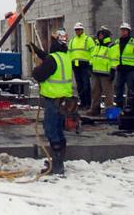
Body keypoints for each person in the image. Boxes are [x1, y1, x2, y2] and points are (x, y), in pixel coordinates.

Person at [32, 35, 72, 175]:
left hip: (53, 100)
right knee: (59, 131)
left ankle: (57, 165)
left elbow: (39, 74)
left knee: (51, 130)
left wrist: (36, 69)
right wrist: (38, 52)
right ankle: (58, 161)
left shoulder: (52, 59)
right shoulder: (65, 56)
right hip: (63, 101)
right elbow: (51, 61)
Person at [113, 22, 134, 106]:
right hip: (120, 69)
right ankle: (119, 105)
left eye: (125, 30)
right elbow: (113, 55)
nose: (123, 32)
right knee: (119, 87)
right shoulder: (117, 42)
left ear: (128, 31)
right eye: (122, 30)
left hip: (131, 70)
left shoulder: (133, 42)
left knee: (131, 88)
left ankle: (130, 106)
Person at [88, 27, 117, 117]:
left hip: (106, 74)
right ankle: (94, 110)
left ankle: (110, 112)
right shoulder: (97, 46)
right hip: (96, 73)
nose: (100, 36)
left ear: (105, 36)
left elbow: (114, 60)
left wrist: (113, 70)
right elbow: (92, 57)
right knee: (95, 92)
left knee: (108, 94)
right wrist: (90, 66)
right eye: (99, 35)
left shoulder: (111, 46)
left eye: (101, 35)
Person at [68, 22, 96, 109]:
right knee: (79, 85)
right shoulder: (72, 41)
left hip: (85, 65)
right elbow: (69, 53)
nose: (77, 31)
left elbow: (93, 52)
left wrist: (91, 64)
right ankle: (83, 102)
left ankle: (88, 103)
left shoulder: (88, 40)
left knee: (86, 85)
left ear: (82, 30)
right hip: (75, 65)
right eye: (76, 30)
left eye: (79, 29)